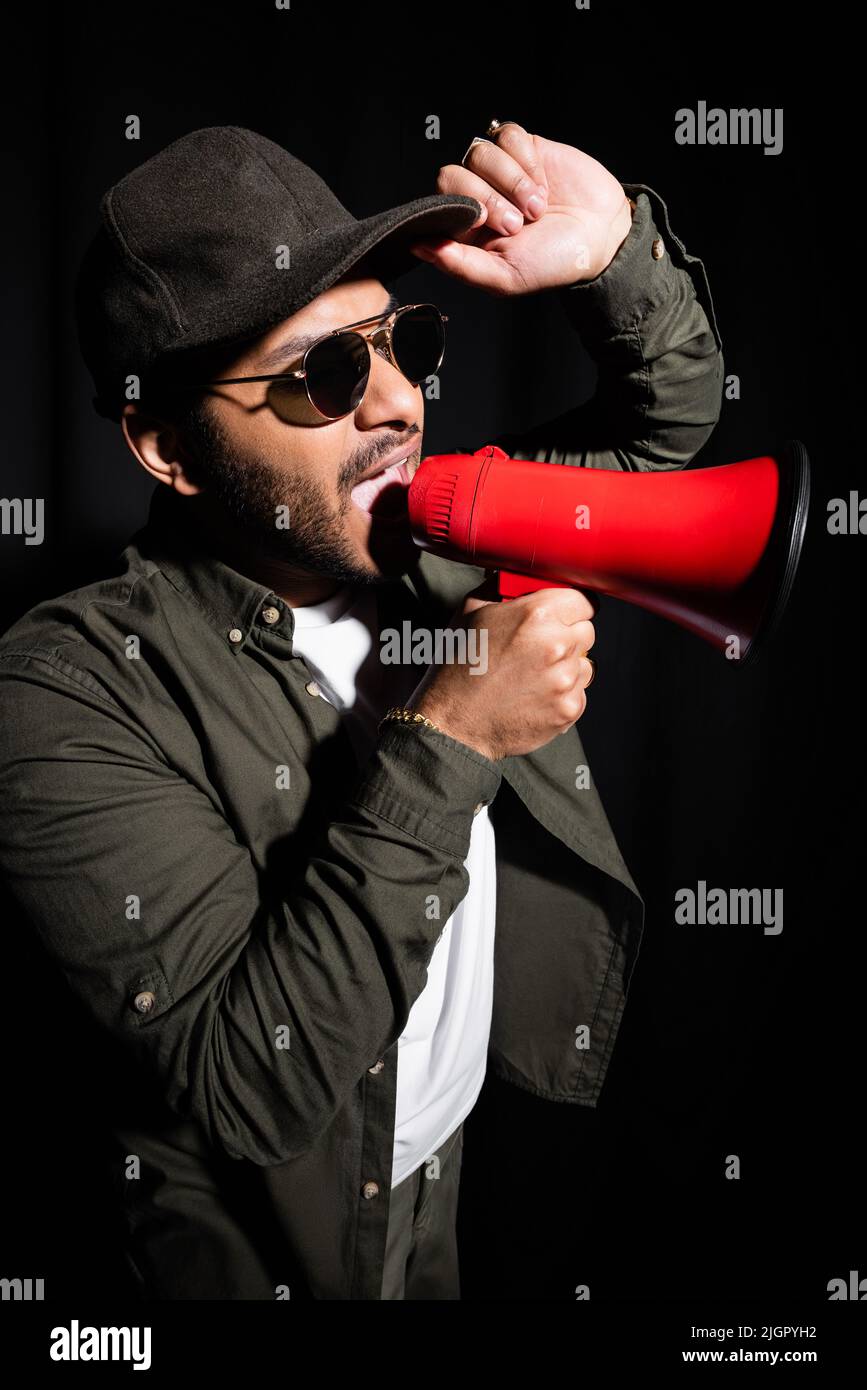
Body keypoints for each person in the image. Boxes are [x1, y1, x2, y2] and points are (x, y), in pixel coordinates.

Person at [0, 120, 723, 1300]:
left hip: (436, 1195)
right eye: (325, 372)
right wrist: (450, 737)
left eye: (403, 342)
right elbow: (251, 1085)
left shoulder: (445, 547)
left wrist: (611, 257)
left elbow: (660, 441)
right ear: (169, 444)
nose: (397, 402)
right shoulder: (65, 693)